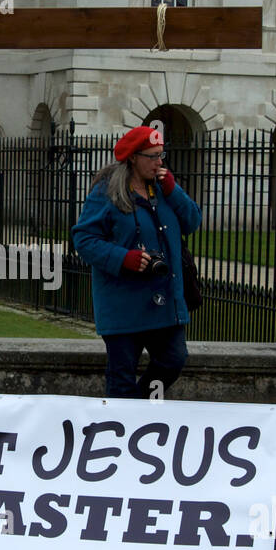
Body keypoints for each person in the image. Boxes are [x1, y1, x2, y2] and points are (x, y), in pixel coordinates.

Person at [72, 126, 202, 399]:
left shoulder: (164, 189)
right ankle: (120, 428)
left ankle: (138, 408)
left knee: (173, 360)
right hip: (123, 303)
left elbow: (192, 222)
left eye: (161, 155)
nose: (159, 162)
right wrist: (124, 259)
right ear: (133, 157)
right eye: (152, 156)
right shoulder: (105, 193)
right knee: (121, 376)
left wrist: (174, 190)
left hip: (164, 301)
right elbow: (83, 239)